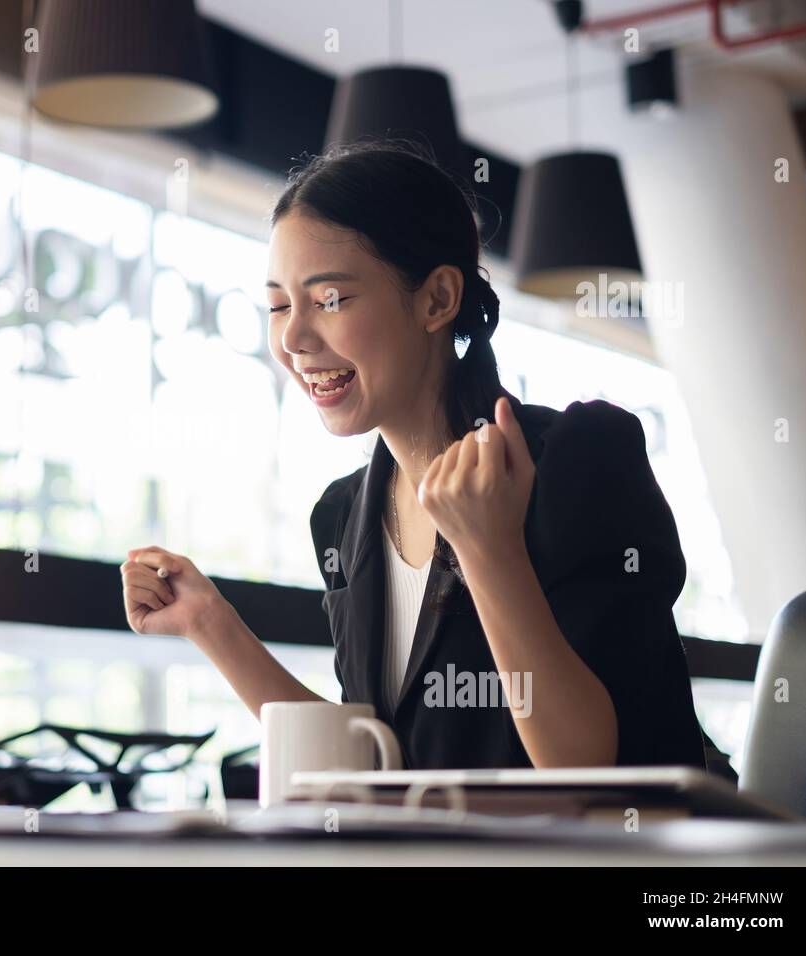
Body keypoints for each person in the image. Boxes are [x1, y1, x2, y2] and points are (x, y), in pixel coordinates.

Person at [120, 141, 707, 770]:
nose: (293, 338)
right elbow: (377, 764)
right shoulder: (344, 515)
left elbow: (591, 770)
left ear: (436, 299)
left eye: (329, 300)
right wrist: (210, 624)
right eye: (279, 305)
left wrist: (489, 549)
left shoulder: (575, 461)